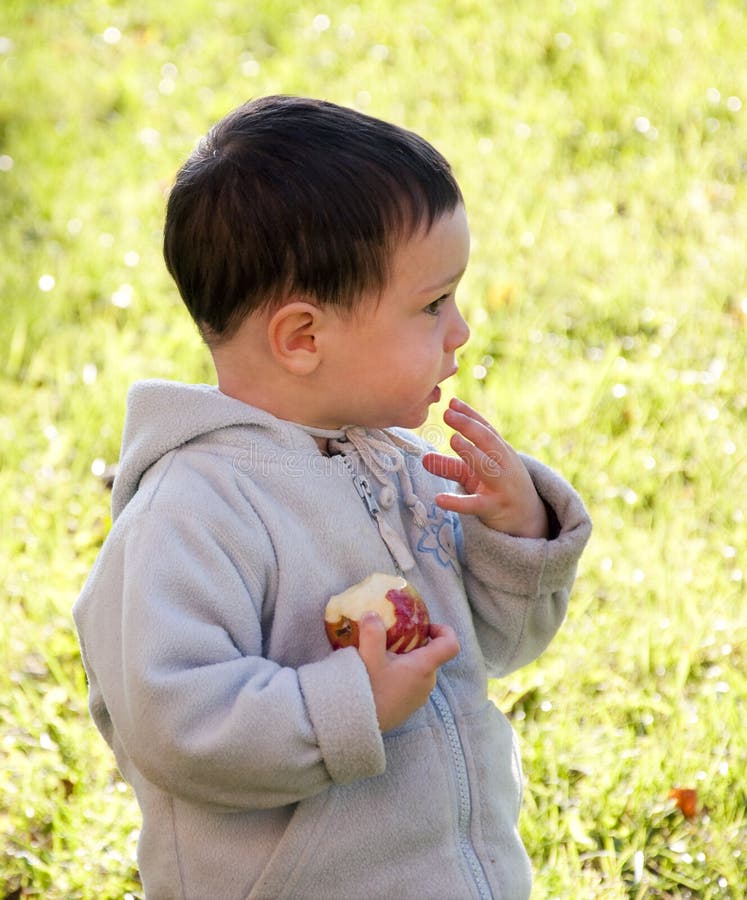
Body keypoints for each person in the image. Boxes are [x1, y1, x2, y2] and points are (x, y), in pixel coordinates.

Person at [74, 95, 592, 900]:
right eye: (431, 305)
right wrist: (350, 707)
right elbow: (170, 723)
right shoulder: (190, 515)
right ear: (303, 338)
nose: (459, 331)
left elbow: (497, 646)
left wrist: (513, 530)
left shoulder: (401, 469)